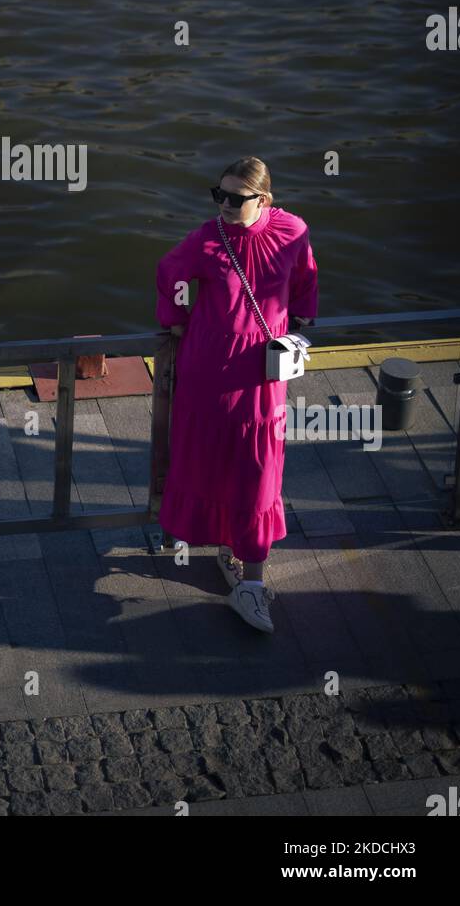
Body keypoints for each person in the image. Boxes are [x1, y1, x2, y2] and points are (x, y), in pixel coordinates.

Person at [154, 157, 318, 633]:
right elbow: (171, 274)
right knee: (216, 463)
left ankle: (251, 583)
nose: (224, 204)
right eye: (218, 195)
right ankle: (232, 553)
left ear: (263, 199)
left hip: (262, 375)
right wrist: (179, 320)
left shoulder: (292, 231)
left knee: (259, 471)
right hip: (208, 373)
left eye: (235, 198)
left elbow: (306, 277)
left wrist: (303, 320)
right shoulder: (208, 237)